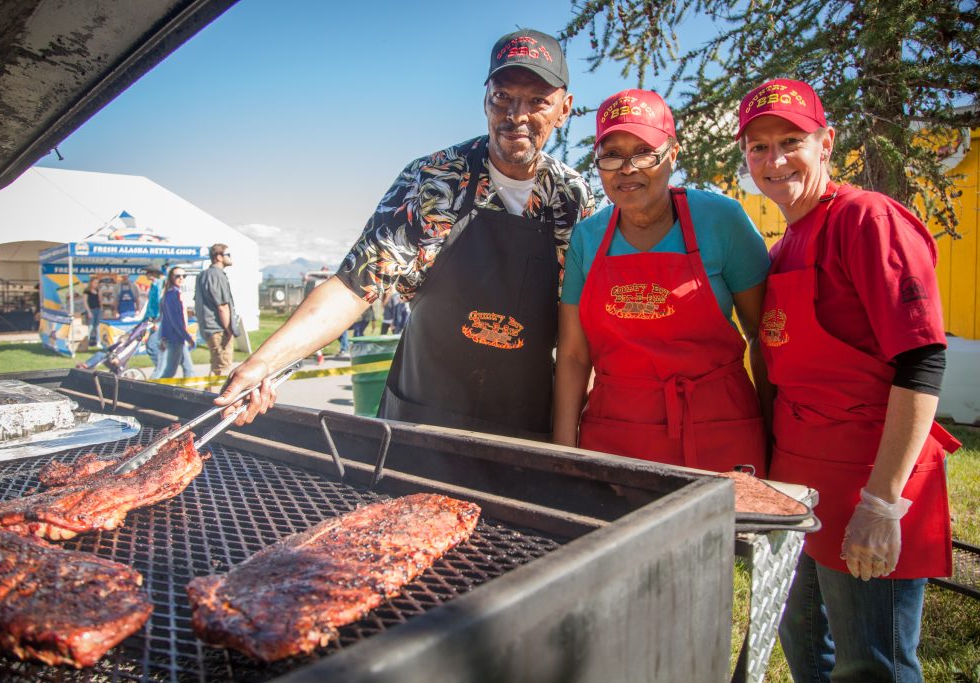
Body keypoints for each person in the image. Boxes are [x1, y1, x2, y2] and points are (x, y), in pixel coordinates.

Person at [217, 28, 594, 438]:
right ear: (485, 98)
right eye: (503, 96)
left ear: (564, 109)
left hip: (525, 426)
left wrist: (567, 445)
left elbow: (580, 336)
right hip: (423, 417)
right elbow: (352, 286)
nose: (516, 115)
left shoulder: (571, 197)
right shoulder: (434, 179)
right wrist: (264, 362)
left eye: (537, 101)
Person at [735, 78, 961, 682]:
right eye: (758, 147)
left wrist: (881, 504)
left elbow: (922, 359)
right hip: (801, 489)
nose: (775, 159)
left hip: (866, 480)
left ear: (826, 143)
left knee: (871, 666)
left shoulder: (866, 219)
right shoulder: (783, 246)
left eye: (791, 141)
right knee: (806, 651)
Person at [552, 89, 771, 474]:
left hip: (720, 435)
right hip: (614, 438)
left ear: (673, 153)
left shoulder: (723, 220)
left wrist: (774, 435)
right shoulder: (587, 237)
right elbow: (573, 355)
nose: (627, 168)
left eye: (643, 152)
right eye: (612, 154)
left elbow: (762, 337)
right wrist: (562, 455)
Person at [195, 243, 238, 376]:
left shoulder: (202, 275)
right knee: (223, 368)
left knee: (215, 366)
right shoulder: (217, 275)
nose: (230, 257)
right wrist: (229, 329)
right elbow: (222, 306)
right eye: (228, 254)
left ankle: (210, 388)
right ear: (219, 257)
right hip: (218, 329)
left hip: (208, 327)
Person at [159, 267, 196, 379]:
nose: (181, 278)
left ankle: (188, 389)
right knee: (170, 372)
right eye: (177, 276)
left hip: (178, 337)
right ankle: (153, 389)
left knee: (189, 370)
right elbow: (175, 321)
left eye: (183, 276)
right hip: (175, 338)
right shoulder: (172, 295)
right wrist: (188, 337)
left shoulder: (174, 293)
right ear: (171, 277)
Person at [143, 264, 166, 375]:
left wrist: (157, 321)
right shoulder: (153, 285)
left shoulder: (159, 285)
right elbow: (150, 305)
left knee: (151, 345)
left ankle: (160, 369)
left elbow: (160, 304)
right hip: (152, 319)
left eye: (147, 272)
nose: (146, 274)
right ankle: (160, 368)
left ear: (153, 274)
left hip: (158, 320)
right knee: (151, 345)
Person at [84, 277, 102, 346]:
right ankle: (86, 342)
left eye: (97, 283)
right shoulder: (87, 291)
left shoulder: (98, 290)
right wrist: (88, 311)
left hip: (98, 309)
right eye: (95, 283)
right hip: (91, 310)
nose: (96, 284)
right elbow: (85, 302)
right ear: (91, 283)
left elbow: (100, 301)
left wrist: (101, 308)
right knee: (90, 326)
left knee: (98, 326)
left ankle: (98, 342)